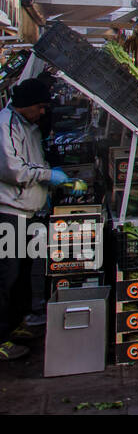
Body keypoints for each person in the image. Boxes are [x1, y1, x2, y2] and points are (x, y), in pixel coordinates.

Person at [0, 79, 68, 360]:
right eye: (39, 107)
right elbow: (13, 170)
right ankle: (0, 339)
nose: (42, 112)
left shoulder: (25, 124)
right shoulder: (5, 124)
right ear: (26, 104)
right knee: (6, 276)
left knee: (24, 274)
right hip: (9, 212)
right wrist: (47, 176)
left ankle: (15, 325)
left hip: (28, 211)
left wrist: (49, 182)